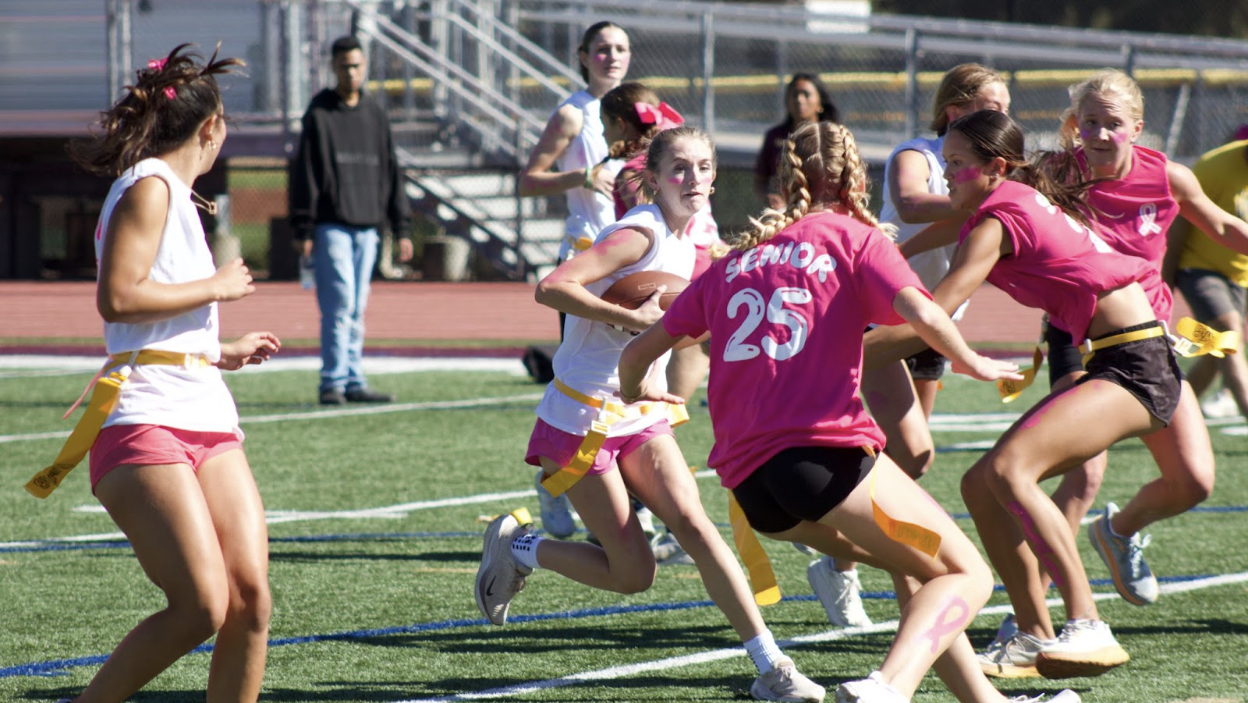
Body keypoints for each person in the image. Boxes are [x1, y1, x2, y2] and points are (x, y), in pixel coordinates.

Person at [618, 121, 1076, 703]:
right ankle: (887, 688)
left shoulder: (735, 261)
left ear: (788, 180)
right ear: (855, 178)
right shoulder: (855, 238)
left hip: (752, 490)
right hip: (822, 458)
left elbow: (635, 354)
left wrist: (638, 392)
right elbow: (925, 313)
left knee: (922, 567)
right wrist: (971, 360)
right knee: (969, 574)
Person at [475, 126, 826, 703]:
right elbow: (552, 286)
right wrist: (634, 321)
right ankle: (519, 548)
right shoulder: (639, 234)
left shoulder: (696, 236)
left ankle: (772, 666)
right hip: (582, 416)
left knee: (696, 526)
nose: (693, 178)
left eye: (704, 166)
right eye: (679, 168)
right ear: (656, 178)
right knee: (634, 575)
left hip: (641, 409)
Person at [866, 108, 1216, 681]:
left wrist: (828, 357)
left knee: (1009, 471)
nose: (944, 173)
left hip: (1136, 361)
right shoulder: (1007, 201)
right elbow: (937, 236)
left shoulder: (996, 220)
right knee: (979, 485)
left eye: (956, 163)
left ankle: (1087, 622)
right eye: (945, 161)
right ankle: (1033, 634)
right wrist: (879, 259)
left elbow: (933, 318)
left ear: (996, 167)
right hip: (1121, 355)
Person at [960, 71, 1248, 679]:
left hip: (1149, 340)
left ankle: (1116, 533)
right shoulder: (1054, 175)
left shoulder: (1168, 177)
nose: (1098, 133)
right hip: (1080, 336)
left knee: (1194, 481)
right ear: (1075, 124)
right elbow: (983, 214)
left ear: (1137, 128)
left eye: (1112, 123)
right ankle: (1039, 621)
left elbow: (1223, 228)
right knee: (1073, 472)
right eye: (1088, 121)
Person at [46, 44, 279, 703]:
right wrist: (217, 287)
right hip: (142, 417)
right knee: (201, 603)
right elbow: (118, 298)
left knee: (251, 597)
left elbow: (154, 317)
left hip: (205, 410)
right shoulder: (148, 186)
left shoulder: (175, 195)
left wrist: (217, 348)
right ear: (211, 128)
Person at [810, 63, 1011, 633]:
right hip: (880, 318)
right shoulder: (918, 154)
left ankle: (846, 559)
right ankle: (861, 564)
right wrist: (986, 198)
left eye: (1005, 108)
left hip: (932, 324)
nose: (1002, 117)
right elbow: (914, 204)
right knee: (910, 452)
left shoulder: (986, 173)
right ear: (954, 111)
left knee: (905, 465)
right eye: (990, 107)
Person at [519, 21, 631, 540]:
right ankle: (553, 480)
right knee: (582, 380)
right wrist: (580, 177)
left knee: (632, 382)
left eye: (621, 48)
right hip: (585, 260)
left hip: (633, 261)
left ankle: (625, 504)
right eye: (603, 49)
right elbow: (528, 179)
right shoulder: (572, 114)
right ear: (583, 56)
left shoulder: (644, 112)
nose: (613, 56)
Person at [289, 34, 412, 406]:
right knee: (339, 305)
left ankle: (354, 380)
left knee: (357, 308)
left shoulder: (375, 114)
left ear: (365, 66)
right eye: (344, 66)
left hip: (368, 228)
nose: (351, 73)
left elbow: (391, 171)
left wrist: (401, 227)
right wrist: (303, 226)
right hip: (332, 226)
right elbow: (305, 173)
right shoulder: (319, 113)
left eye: (357, 65)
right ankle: (332, 382)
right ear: (333, 67)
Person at [1169, 134, 1248, 418]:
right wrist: (1164, 280)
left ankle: (1172, 413)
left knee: (1214, 354)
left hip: (1240, 274)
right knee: (1228, 333)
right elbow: (1178, 223)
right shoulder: (1212, 167)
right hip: (1198, 266)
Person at [754, 73, 841, 209]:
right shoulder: (775, 137)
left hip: (823, 210)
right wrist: (771, 199)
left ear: (820, 103)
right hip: (785, 211)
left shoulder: (834, 137)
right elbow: (760, 181)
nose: (799, 100)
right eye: (794, 95)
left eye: (806, 94)